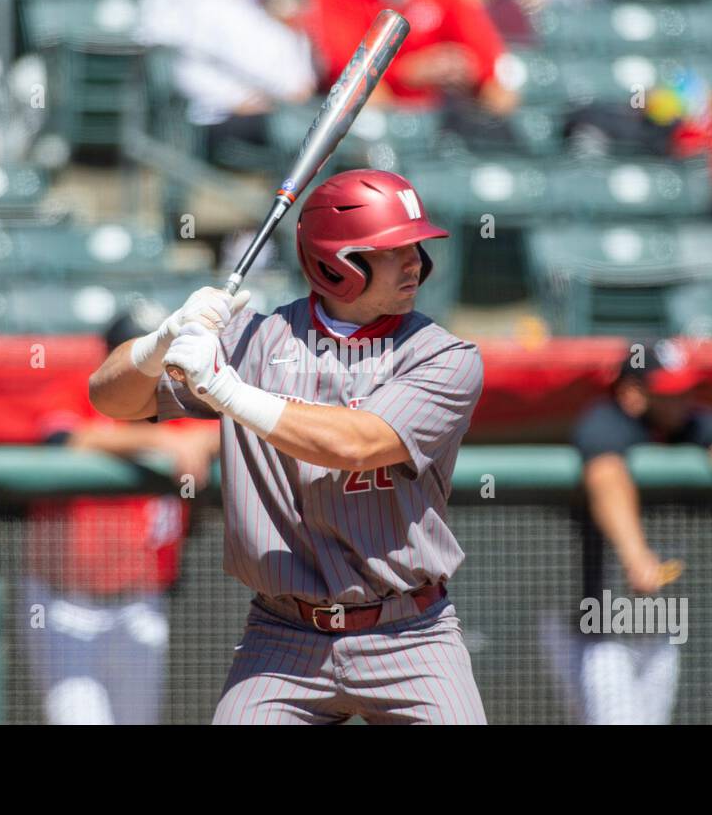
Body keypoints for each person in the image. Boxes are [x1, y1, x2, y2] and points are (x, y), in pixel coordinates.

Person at [89, 169, 487, 724]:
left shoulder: (443, 355)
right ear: (334, 263)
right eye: (391, 250)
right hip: (283, 638)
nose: (415, 261)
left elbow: (357, 443)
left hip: (410, 632)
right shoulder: (253, 338)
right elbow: (110, 399)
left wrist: (225, 390)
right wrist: (161, 341)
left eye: (415, 246)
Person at [565, 340, 712, 724]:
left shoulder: (692, 423)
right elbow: (606, 477)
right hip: (589, 625)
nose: (683, 401)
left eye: (686, 390)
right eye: (669, 393)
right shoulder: (604, 421)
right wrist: (635, 553)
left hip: (655, 624)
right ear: (632, 393)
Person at [20, 309, 220, 725]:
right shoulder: (82, 390)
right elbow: (64, 439)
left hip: (141, 603)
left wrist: (202, 438)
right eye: (140, 353)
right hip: (66, 605)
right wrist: (163, 441)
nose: (151, 367)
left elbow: (240, 424)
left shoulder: (186, 398)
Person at [136, 0, 316, 155]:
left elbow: (300, 82)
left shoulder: (266, 9)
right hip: (222, 116)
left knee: (319, 126)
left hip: (281, 109)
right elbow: (187, 70)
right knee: (304, 130)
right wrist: (237, 101)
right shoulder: (207, 7)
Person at [305, 0, 519, 117]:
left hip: (440, 116)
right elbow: (351, 75)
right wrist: (407, 71)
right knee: (365, 96)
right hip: (372, 119)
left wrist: (463, 66)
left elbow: (491, 67)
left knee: (500, 97)